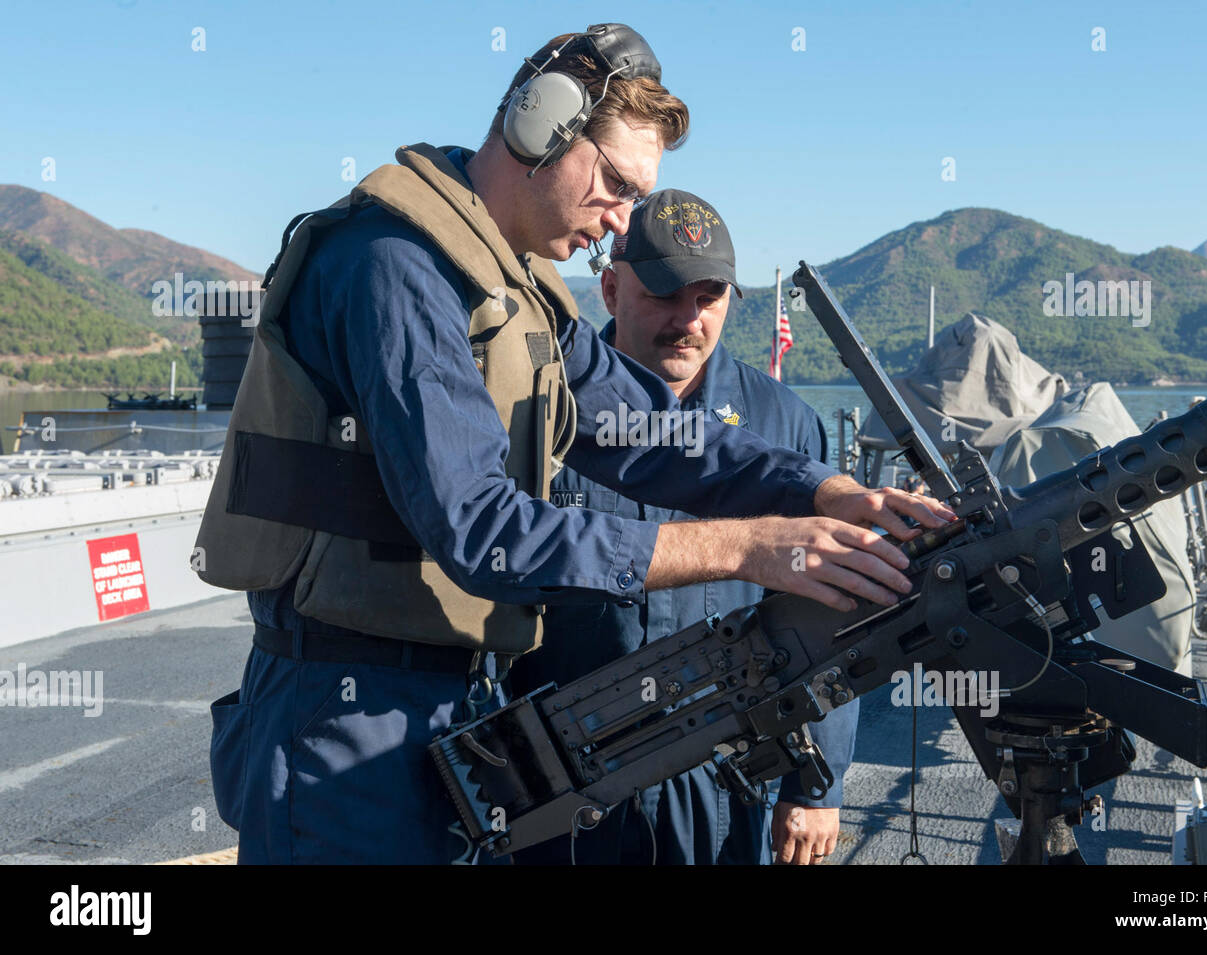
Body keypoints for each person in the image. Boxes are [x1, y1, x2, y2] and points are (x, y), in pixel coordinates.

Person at [196, 23, 954, 864]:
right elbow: (484, 529)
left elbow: (656, 435)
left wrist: (823, 493)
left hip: (449, 707)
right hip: (343, 715)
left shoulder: (515, 286)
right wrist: (749, 547)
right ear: (542, 128)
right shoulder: (394, 266)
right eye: (618, 185)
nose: (624, 222)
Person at [510, 190, 861, 866]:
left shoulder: (785, 425)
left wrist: (816, 781)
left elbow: (831, 615)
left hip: (725, 784)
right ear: (610, 288)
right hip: (564, 787)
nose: (689, 320)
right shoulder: (538, 409)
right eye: (665, 294)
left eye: (709, 297)